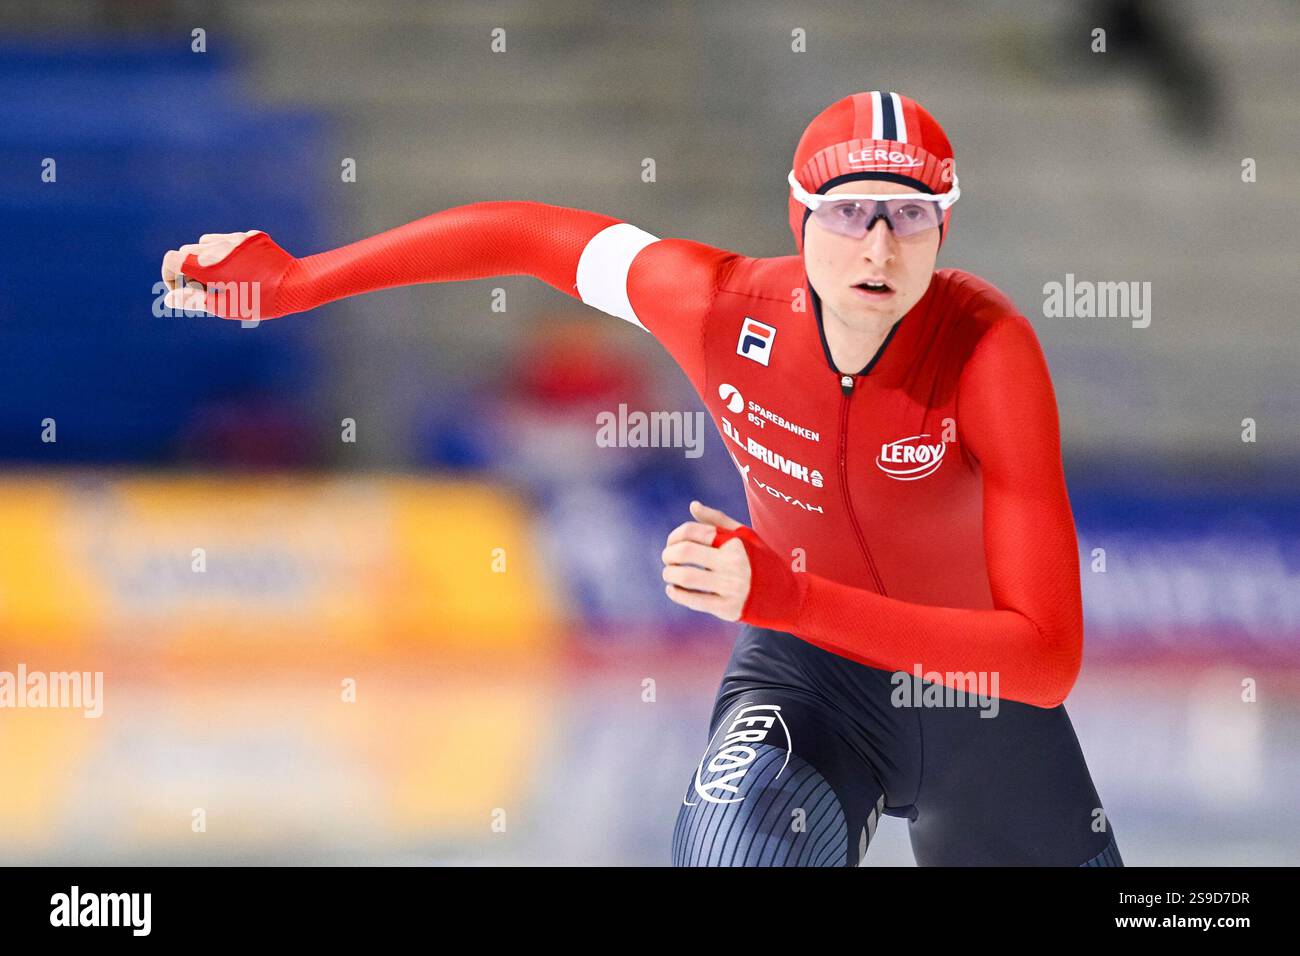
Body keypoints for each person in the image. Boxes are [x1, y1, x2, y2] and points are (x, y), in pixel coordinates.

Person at [160, 90, 1123, 867]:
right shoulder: (713, 305)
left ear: (944, 230)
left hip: (977, 697)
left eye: (909, 217)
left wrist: (788, 593)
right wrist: (299, 282)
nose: (878, 248)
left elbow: (1044, 660)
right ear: (801, 218)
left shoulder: (990, 353)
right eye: (849, 213)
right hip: (809, 689)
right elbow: (526, 237)